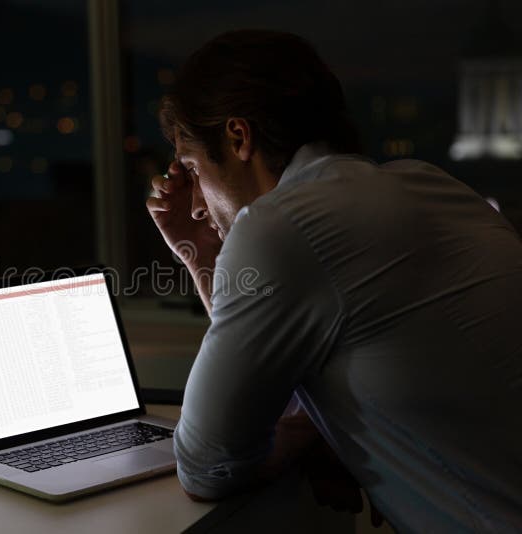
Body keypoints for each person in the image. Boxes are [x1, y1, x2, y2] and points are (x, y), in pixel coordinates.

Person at [147, 29, 522, 533]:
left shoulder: (281, 225)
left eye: (193, 169)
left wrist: (307, 435)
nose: (195, 202)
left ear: (238, 137)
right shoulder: (431, 184)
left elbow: (205, 466)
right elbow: (270, 366)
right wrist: (204, 257)